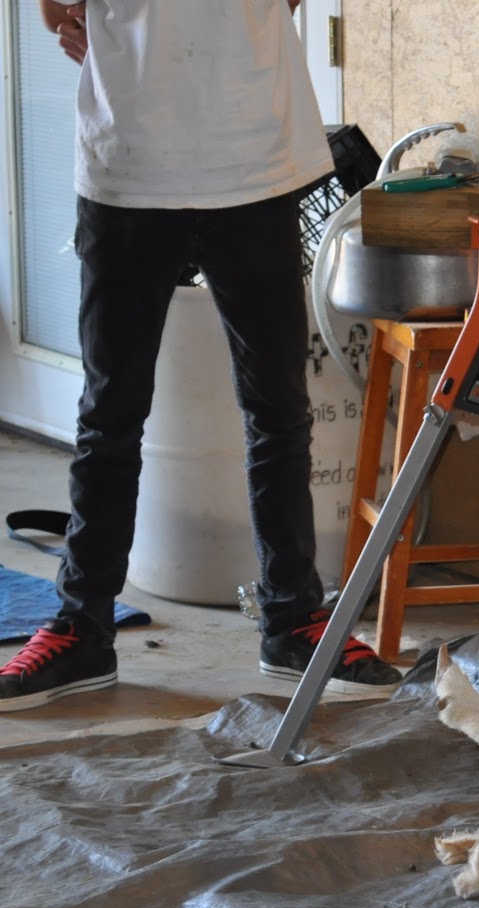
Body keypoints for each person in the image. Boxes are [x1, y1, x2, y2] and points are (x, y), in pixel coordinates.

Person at [0, 0, 402, 712]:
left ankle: (293, 621)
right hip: (128, 160)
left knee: (278, 410)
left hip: (251, 157)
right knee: (109, 413)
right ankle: (82, 626)